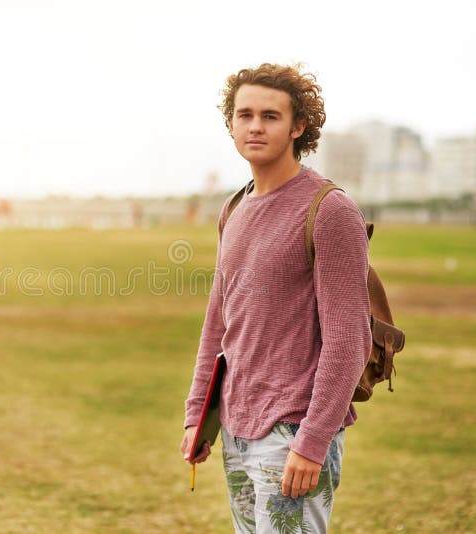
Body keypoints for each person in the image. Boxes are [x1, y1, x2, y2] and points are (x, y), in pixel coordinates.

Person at [180, 63, 372, 533]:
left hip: (293, 429)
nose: (255, 126)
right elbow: (218, 323)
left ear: (298, 126)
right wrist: (196, 416)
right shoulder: (234, 208)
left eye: (270, 116)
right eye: (244, 115)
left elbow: (350, 340)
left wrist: (312, 441)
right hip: (236, 425)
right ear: (231, 124)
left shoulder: (328, 209)